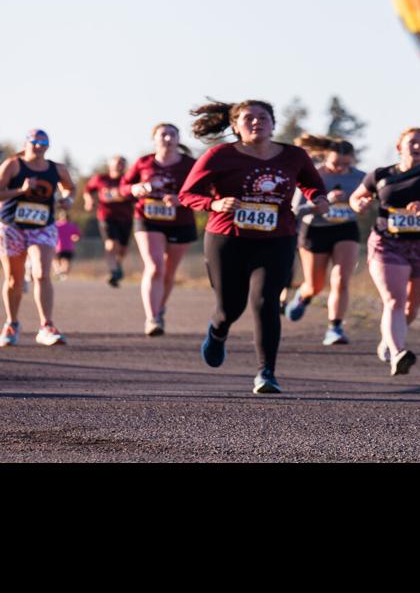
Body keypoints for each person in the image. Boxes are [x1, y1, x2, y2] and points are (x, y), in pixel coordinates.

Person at [178, 99, 328, 394]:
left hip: (277, 238)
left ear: (274, 124)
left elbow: (312, 183)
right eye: (249, 118)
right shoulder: (219, 155)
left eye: (263, 117)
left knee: (266, 302)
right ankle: (218, 332)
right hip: (227, 238)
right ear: (235, 126)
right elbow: (187, 194)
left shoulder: (294, 155)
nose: (256, 122)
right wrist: (215, 203)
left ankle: (266, 372)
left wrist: (319, 199)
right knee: (230, 307)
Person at [348, 127, 420, 376]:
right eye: (413, 142)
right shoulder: (380, 175)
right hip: (387, 243)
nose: (418, 147)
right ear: (399, 146)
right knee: (394, 300)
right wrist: (359, 204)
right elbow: (356, 197)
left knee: (411, 307)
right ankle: (398, 351)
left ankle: (388, 340)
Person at [286, 134, 366, 346]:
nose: (340, 168)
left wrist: (360, 203)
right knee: (315, 285)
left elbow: (371, 199)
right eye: (335, 164)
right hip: (315, 230)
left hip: (346, 229)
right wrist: (322, 203)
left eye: (346, 164)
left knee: (340, 279)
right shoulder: (311, 175)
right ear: (324, 157)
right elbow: (295, 211)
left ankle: (335, 328)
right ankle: (303, 296)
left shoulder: (360, 177)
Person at [1, 129, 76, 346]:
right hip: (12, 227)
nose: (39, 146)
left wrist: (68, 199)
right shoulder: (13, 165)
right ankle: (12, 323)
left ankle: (46, 326)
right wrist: (20, 191)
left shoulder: (57, 168)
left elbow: (70, 188)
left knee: (42, 273)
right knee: (14, 279)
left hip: (42, 226)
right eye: (34, 142)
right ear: (26, 143)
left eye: (43, 142)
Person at [125, 123, 198, 336]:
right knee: (155, 267)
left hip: (180, 220)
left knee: (168, 272)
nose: (167, 138)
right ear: (154, 139)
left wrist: (181, 199)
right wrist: (134, 188)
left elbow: (204, 191)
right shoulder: (143, 163)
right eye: (163, 134)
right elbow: (123, 186)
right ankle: (152, 318)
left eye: (172, 134)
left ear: (178, 139)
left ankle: (159, 307)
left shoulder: (190, 164)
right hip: (148, 219)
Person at [83, 155, 134, 287]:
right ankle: (113, 272)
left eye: (122, 163)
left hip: (126, 218)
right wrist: (89, 200)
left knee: (123, 249)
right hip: (107, 216)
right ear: (110, 165)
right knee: (111, 244)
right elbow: (88, 190)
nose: (119, 165)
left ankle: (117, 264)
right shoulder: (100, 179)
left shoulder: (128, 180)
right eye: (116, 163)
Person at [52, 205, 79, 281]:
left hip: (58, 247)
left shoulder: (55, 225)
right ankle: (62, 273)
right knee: (66, 262)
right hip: (68, 247)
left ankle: (59, 271)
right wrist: (75, 238)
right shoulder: (71, 225)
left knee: (56, 260)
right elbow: (76, 236)